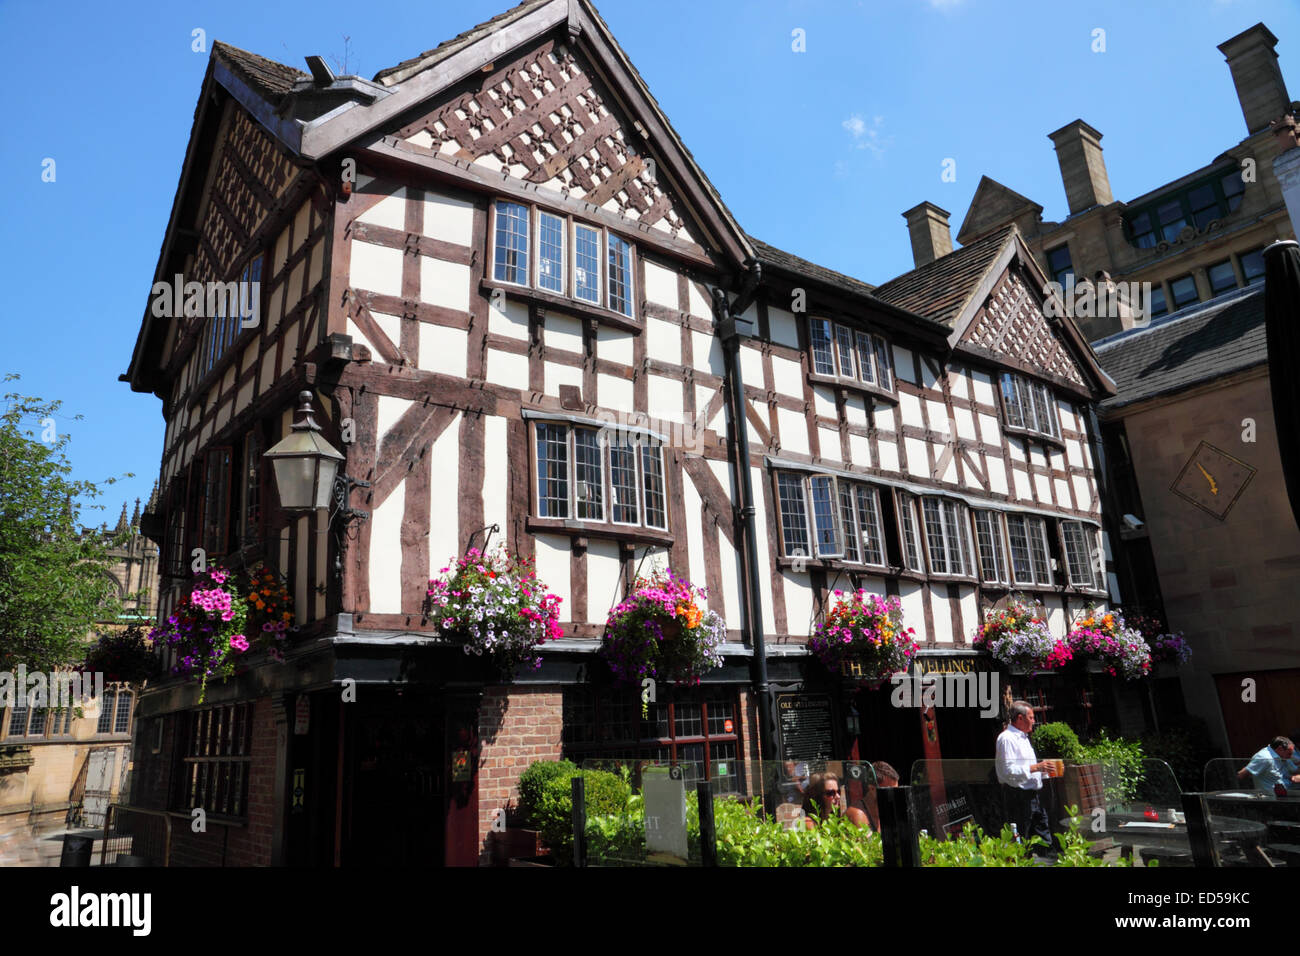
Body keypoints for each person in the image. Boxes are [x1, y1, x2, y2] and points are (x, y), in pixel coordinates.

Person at [995, 700, 1057, 857]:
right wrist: (1037, 767)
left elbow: (1028, 769)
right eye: (1031, 717)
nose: (1034, 721)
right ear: (1020, 718)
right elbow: (1008, 771)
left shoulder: (1023, 737)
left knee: (1044, 838)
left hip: (1034, 795)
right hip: (1018, 796)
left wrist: (1045, 771)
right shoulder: (1007, 739)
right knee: (1021, 841)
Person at [803, 772, 869, 829]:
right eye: (831, 793)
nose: (838, 796)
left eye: (838, 791)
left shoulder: (833, 821)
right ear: (818, 795)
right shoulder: (808, 823)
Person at [862, 761, 899, 832]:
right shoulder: (860, 814)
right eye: (890, 791)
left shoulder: (887, 809)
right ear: (872, 788)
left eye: (896, 791)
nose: (894, 795)